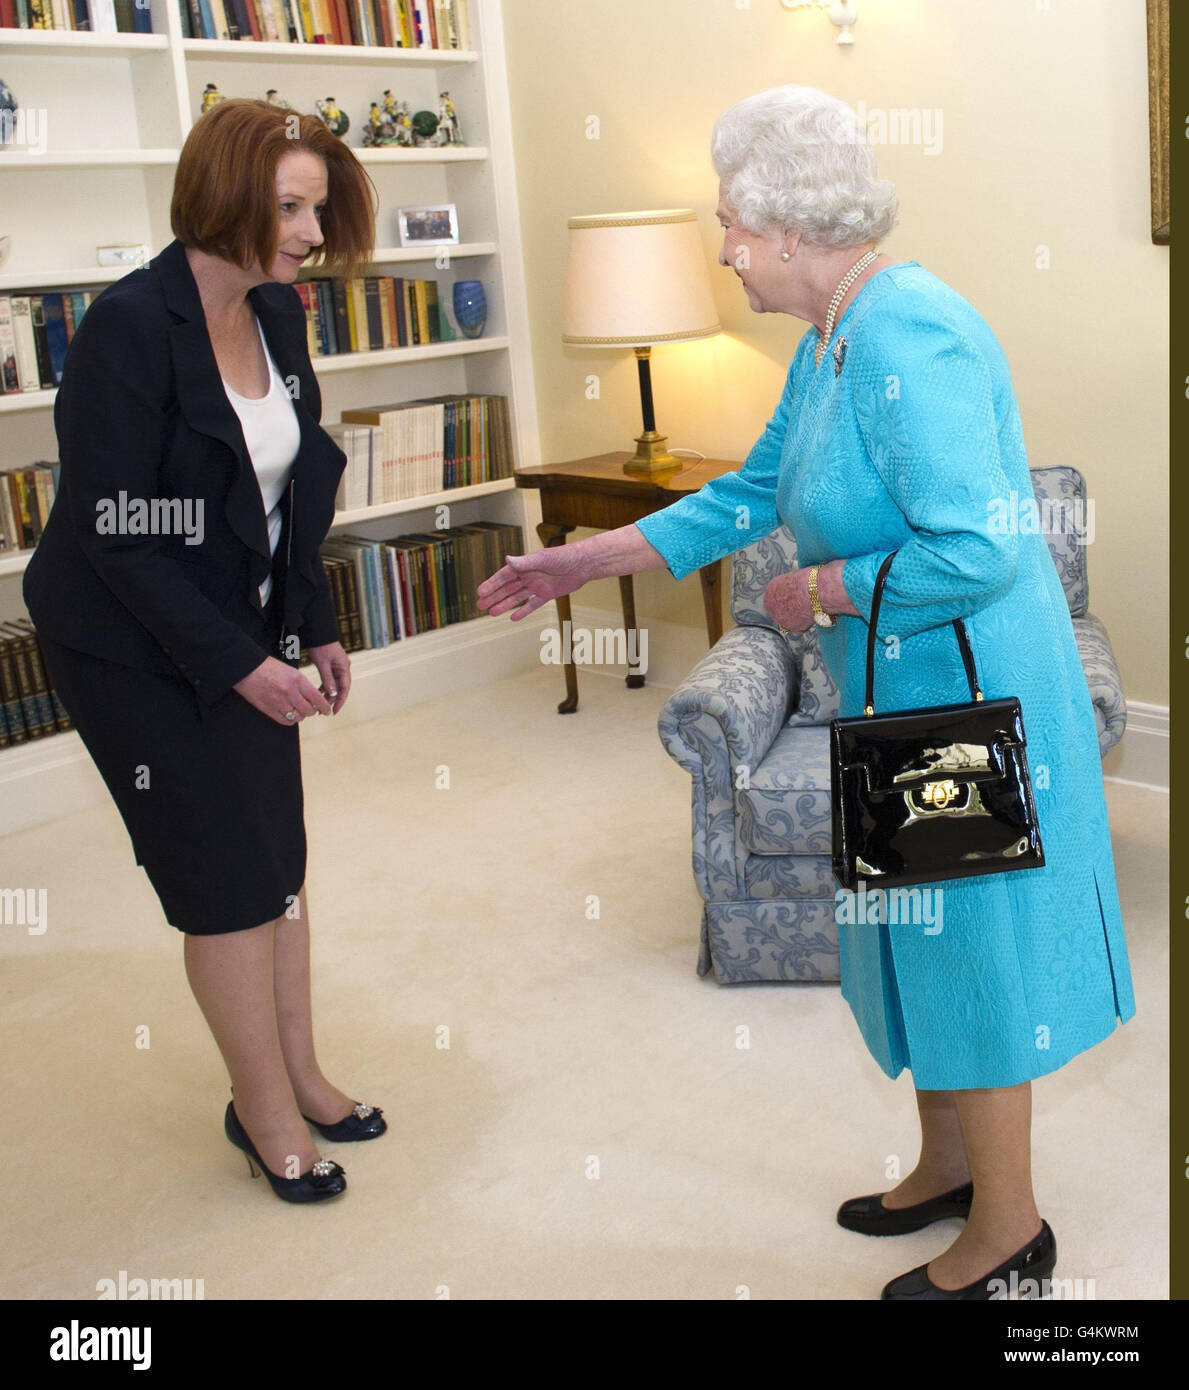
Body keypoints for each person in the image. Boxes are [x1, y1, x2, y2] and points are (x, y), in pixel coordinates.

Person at [477, 84, 1137, 1300]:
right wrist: (591, 556)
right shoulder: (833, 334)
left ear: (786, 229)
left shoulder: (905, 334)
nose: (721, 247)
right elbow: (750, 491)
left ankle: (1012, 1233)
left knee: (973, 956)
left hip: (966, 699)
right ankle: (948, 1168)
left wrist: (820, 587)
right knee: (921, 945)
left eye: (728, 222)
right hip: (901, 685)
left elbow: (983, 547)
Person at [24, 99, 385, 1205]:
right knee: (226, 882)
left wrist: (312, 624)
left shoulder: (277, 314)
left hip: (243, 625)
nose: (309, 231)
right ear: (220, 194)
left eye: (317, 208)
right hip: (132, 644)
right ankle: (262, 1113)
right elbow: (114, 534)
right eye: (286, 207)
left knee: (278, 861)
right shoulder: (130, 328)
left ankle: (304, 1074)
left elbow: (285, 499)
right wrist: (239, 663)